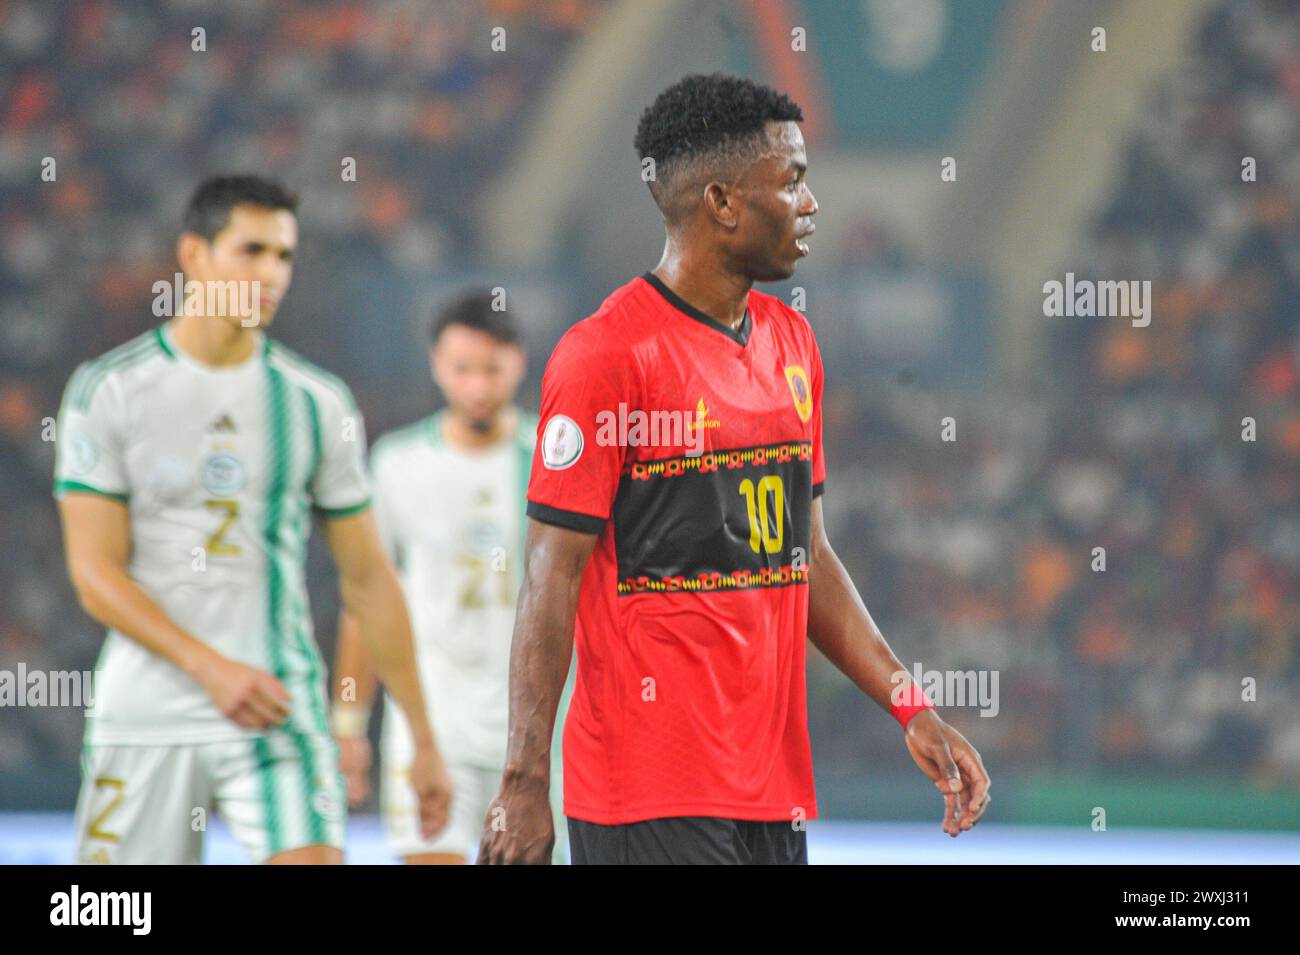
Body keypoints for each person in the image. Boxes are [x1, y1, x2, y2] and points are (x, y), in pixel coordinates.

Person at [478, 73, 991, 865]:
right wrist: (521, 781)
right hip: (645, 789)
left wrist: (911, 705)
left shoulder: (793, 344)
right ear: (721, 201)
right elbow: (551, 577)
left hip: (767, 785)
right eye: (791, 181)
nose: (812, 203)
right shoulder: (606, 357)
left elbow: (808, 556)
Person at [55, 174, 452, 864]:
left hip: (279, 708)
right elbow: (94, 574)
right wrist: (210, 668)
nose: (270, 273)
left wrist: (421, 736)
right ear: (194, 254)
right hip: (147, 717)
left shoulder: (316, 402)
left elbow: (369, 579)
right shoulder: (109, 390)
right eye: (251, 250)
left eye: (283, 256)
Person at [332, 290, 572, 864]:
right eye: (462, 368)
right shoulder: (397, 464)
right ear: (437, 365)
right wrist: (348, 724)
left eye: (491, 368)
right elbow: (367, 600)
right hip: (432, 731)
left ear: (518, 362)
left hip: (543, 739)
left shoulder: (553, 456)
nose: (477, 385)